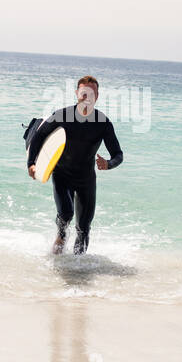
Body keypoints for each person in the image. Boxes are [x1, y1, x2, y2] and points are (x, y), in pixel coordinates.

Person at [27, 76, 123, 254]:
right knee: (66, 214)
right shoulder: (62, 116)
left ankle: (80, 266)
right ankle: (58, 245)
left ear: (97, 96)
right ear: (77, 94)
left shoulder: (103, 123)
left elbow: (118, 154)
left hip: (86, 179)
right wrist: (32, 164)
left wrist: (108, 164)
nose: (87, 97)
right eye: (83, 93)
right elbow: (38, 137)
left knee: (84, 227)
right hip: (62, 175)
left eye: (91, 93)